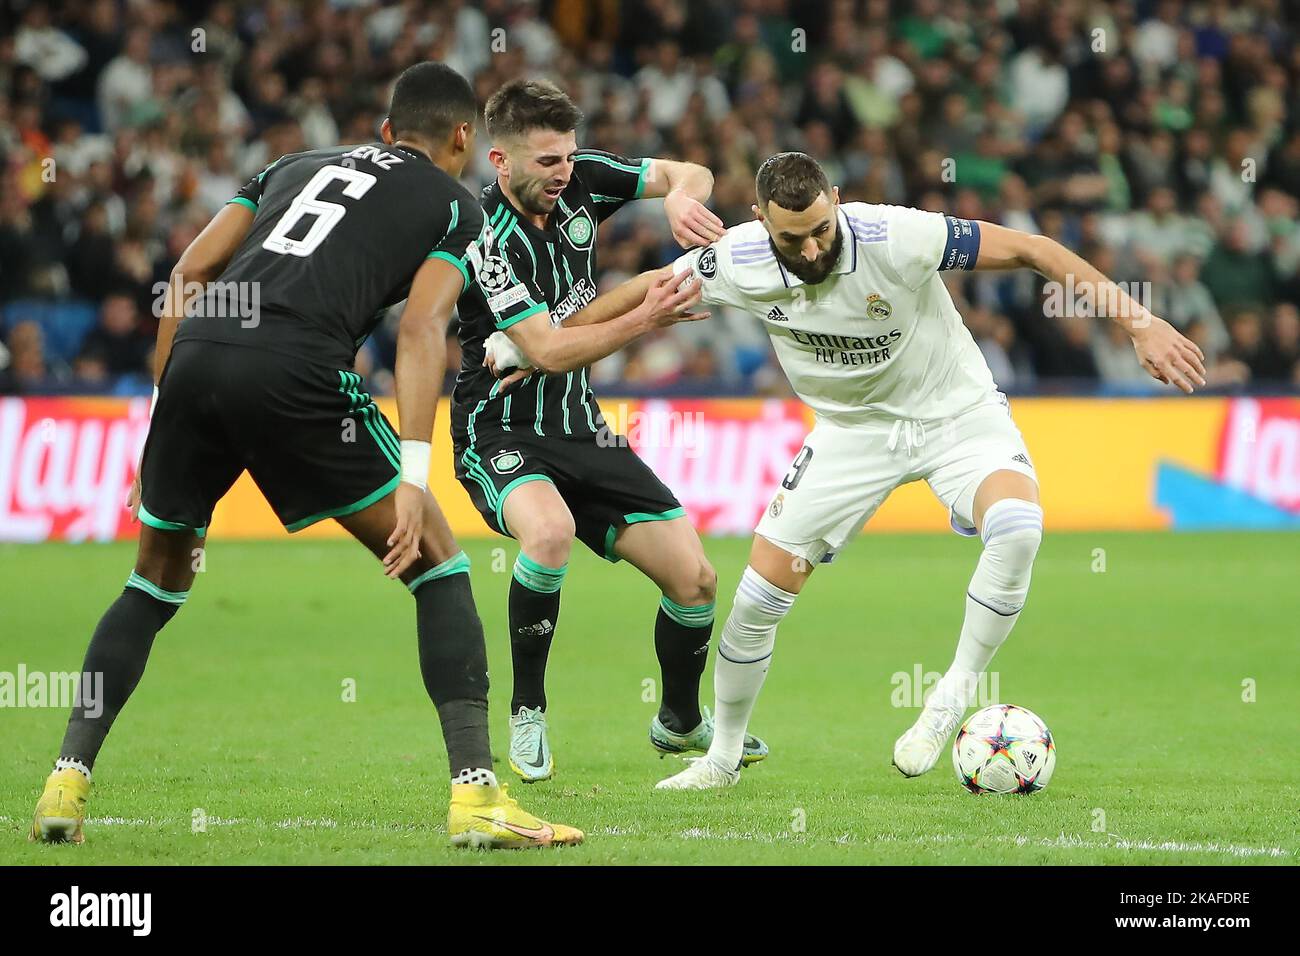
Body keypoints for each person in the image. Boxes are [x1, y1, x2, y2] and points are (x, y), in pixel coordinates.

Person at [29, 62, 600, 848]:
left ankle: (65, 782)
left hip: (195, 361)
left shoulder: (291, 166)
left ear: (389, 129)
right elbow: (422, 328)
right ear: (464, 137)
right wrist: (411, 474)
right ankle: (476, 797)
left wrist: (160, 426)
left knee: (152, 583)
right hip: (297, 369)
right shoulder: (457, 207)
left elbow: (190, 271)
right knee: (438, 561)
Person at [656, 152, 1205, 789]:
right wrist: (532, 338)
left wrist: (1139, 322)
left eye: (821, 230)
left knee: (1020, 526)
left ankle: (950, 697)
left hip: (955, 413)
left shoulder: (897, 234)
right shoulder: (736, 257)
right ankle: (721, 761)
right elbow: (644, 292)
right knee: (755, 601)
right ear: (759, 220)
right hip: (852, 434)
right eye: (791, 239)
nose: (809, 251)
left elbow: (1034, 248)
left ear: (837, 201)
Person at [451, 79, 767, 782]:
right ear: (499, 161)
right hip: (499, 428)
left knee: (695, 580)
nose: (563, 173)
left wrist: (684, 193)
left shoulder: (584, 177)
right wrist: (644, 315)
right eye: (545, 162)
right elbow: (547, 349)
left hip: (578, 427)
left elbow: (687, 170)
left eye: (566, 157)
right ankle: (528, 711)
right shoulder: (482, 239)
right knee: (550, 532)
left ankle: (679, 720)